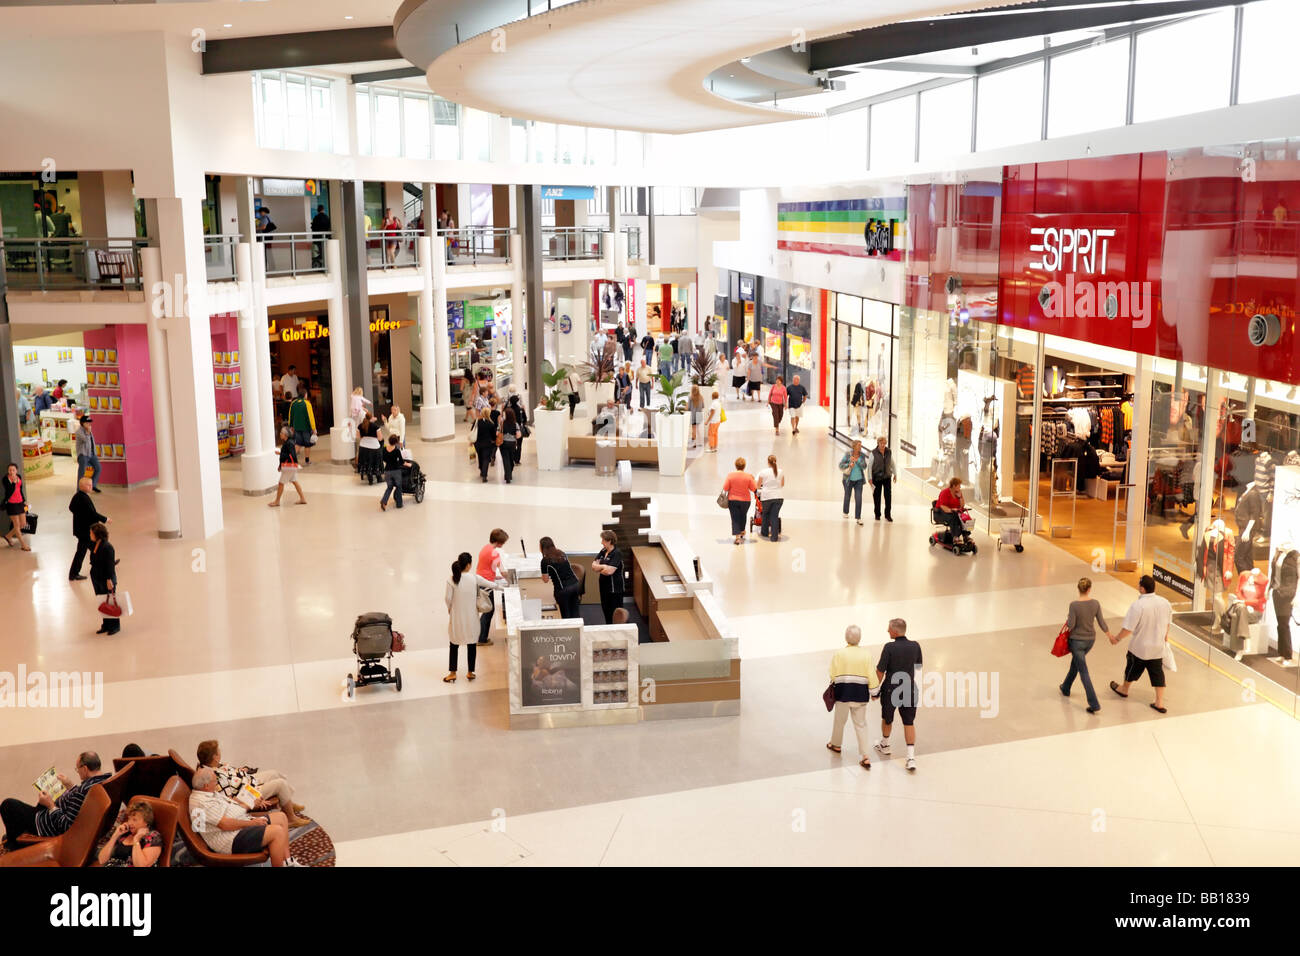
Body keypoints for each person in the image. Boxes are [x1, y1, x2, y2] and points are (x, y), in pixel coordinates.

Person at [188, 767, 298, 866]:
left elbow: (232, 807)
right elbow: (225, 825)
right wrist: (252, 823)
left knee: (282, 817)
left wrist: (251, 805)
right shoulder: (202, 803)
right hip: (230, 839)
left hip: (238, 825)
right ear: (206, 786)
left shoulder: (208, 793)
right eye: (214, 781)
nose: (217, 783)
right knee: (277, 832)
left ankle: (287, 862)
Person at [1, 751, 110, 850]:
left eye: (78, 769)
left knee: (8, 805)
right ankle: (14, 837)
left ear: (85, 769)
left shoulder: (85, 790)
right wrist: (70, 785)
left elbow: (66, 826)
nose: (77, 772)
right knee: (14, 825)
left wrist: (51, 805)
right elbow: (78, 804)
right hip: (47, 816)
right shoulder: (102, 781)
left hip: (46, 826)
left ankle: (15, 846)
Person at [195, 740, 309, 827]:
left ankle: (288, 803)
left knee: (274, 773)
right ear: (214, 757)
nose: (220, 752)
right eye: (218, 751)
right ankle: (291, 819)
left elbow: (229, 773)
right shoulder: (213, 777)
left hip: (245, 781)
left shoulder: (212, 764)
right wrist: (252, 797)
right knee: (280, 784)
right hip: (246, 793)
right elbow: (230, 798)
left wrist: (240, 771)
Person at [1109, 574, 1174, 713]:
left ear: (1143, 589)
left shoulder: (1138, 606)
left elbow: (1128, 628)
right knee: (1158, 674)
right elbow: (1167, 624)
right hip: (1157, 647)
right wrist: (1164, 637)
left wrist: (1117, 639)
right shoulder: (1165, 603)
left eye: (1139, 585)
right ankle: (1159, 702)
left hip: (1140, 648)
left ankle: (1124, 689)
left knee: (1131, 669)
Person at [827, 625, 878, 770]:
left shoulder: (839, 654)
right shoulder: (866, 655)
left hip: (843, 693)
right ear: (859, 638)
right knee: (861, 725)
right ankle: (865, 756)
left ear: (846, 638)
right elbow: (871, 675)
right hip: (860, 695)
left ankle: (836, 744)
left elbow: (832, 674)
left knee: (839, 721)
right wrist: (874, 693)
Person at [875, 618, 921, 772]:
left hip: (890, 690)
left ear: (895, 631)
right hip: (909, 688)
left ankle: (885, 744)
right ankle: (910, 757)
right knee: (909, 722)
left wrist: (874, 690)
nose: (887, 631)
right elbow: (918, 667)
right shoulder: (915, 646)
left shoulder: (889, 647)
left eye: (889, 629)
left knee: (887, 718)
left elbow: (880, 671)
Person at [446, 552, 500, 682]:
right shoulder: (474, 578)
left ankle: (452, 673)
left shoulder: (451, 579)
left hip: (456, 617)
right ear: (469, 565)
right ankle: (470, 672)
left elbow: (447, 599)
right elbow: (490, 584)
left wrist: (450, 609)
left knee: (454, 644)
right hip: (471, 618)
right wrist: (504, 586)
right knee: (471, 644)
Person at [1061, 577, 1110, 714]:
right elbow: (1101, 622)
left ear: (1078, 589)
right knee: (1076, 664)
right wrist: (1110, 635)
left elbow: (1071, 625)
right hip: (1090, 641)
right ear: (1089, 589)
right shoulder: (1095, 603)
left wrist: (1068, 617)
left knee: (1083, 672)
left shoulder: (1074, 605)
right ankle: (1065, 687)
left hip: (1077, 642)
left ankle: (1094, 704)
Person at [96, 799, 163, 867]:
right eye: (129, 819)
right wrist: (115, 835)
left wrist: (136, 840)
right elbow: (102, 860)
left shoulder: (153, 836)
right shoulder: (125, 833)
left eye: (134, 820)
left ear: (146, 822)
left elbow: (140, 865)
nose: (130, 823)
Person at [68, 476, 108, 581]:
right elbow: (92, 514)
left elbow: (71, 507)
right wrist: (105, 519)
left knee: (96, 547)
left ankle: (107, 563)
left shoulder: (78, 496)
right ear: (81, 486)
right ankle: (73, 574)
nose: (91, 487)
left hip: (82, 530)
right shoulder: (83, 498)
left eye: (91, 484)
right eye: (88, 485)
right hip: (84, 531)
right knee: (81, 552)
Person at [476, 529, 509, 645]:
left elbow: (487, 567)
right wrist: (510, 581)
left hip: (482, 580)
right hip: (486, 584)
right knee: (489, 610)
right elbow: (503, 571)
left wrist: (495, 577)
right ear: (499, 542)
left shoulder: (486, 548)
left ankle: (480, 636)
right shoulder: (495, 553)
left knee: (487, 610)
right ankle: (481, 638)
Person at [88, 521, 120, 634]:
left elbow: (110, 565)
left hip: (106, 579)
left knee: (110, 601)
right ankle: (106, 624)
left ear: (97, 534)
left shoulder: (108, 547)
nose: (90, 535)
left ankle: (114, 626)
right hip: (97, 577)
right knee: (102, 601)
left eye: (91, 533)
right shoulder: (95, 544)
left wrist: (109, 580)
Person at [540, 536, 582, 619]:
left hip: (563, 589)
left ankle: (568, 630)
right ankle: (577, 630)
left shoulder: (545, 560)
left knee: (565, 615)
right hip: (575, 585)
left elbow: (545, 580)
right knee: (575, 613)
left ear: (542, 547)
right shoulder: (561, 553)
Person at [590, 530, 625, 624]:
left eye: (603, 540)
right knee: (606, 611)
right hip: (604, 587)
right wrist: (603, 567)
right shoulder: (603, 550)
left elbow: (609, 572)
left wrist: (601, 568)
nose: (601, 542)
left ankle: (617, 632)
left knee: (615, 614)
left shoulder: (617, 553)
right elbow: (593, 566)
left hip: (614, 590)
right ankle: (609, 629)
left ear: (609, 541)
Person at [722, 457, 757, 545]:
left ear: (735, 466)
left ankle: (737, 538)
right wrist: (752, 479)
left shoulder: (730, 475)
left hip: (733, 500)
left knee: (735, 518)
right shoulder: (748, 476)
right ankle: (742, 530)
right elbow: (754, 488)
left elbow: (725, 488)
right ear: (744, 466)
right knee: (743, 515)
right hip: (745, 501)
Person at [3, 462, 32, 551]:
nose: (11, 472)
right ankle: (23, 545)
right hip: (11, 504)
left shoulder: (19, 477)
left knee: (23, 524)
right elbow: (9, 491)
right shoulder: (5, 479)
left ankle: (8, 536)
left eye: (13, 470)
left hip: (20, 503)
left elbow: (20, 490)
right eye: (10, 470)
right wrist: (13, 482)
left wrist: (24, 501)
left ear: (16, 470)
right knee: (16, 525)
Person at [379, 434, 412, 511]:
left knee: (389, 487)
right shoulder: (397, 450)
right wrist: (408, 464)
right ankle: (399, 504)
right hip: (396, 471)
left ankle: (384, 501)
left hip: (387, 471)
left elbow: (383, 459)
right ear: (396, 442)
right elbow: (401, 462)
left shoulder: (384, 449)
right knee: (399, 487)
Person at [757, 454, 785, 541]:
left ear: (768, 462)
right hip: (779, 497)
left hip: (767, 497)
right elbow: (782, 484)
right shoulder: (781, 471)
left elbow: (758, 485)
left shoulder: (763, 472)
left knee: (765, 514)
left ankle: (764, 532)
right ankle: (774, 537)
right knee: (774, 516)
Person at [869, 435, 897, 522]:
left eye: (884, 443)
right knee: (877, 497)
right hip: (876, 477)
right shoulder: (873, 453)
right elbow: (869, 466)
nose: (883, 445)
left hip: (887, 477)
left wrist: (895, 474)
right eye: (881, 443)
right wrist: (870, 478)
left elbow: (892, 463)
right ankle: (877, 514)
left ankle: (888, 515)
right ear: (878, 443)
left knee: (888, 497)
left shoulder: (889, 451)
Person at [839, 440, 868, 524]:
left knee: (858, 498)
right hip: (848, 480)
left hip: (859, 480)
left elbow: (864, 466)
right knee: (847, 495)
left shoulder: (862, 455)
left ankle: (858, 517)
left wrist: (857, 461)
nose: (860, 447)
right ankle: (845, 511)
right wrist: (849, 465)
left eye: (861, 445)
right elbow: (840, 465)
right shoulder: (848, 454)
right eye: (859, 445)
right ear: (854, 446)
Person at [474, 398, 501, 483]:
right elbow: (493, 435)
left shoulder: (477, 422)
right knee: (486, 458)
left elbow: (473, 431)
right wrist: (493, 441)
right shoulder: (491, 424)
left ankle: (481, 470)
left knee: (480, 457)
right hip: (487, 444)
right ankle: (484, 475)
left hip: (477, 443)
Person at [288, 384, 316, 465]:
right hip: (306, 428)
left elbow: (290, 415)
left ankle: (291, 459)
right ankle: (307, 460)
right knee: (307, 444)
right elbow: (311, 417)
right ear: (305, 395)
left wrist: (291, 426)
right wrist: (313, 428)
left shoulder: (293, 403)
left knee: (298, 444)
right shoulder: (307, 403)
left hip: (296, 427)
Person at [936, 476, 969, 543]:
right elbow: (943, 506)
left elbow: (962, 505)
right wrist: (951, 510)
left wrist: (960, 497)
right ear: (954, 486)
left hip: (954, 511)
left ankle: (966, 536)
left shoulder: (958, 493)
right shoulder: (944, 492)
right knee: (953, 517)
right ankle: (955, 537)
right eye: (959, 485)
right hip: (941, 512)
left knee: (965, 518)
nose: (960, 487)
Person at [74, 414, 101, 492]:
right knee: (82, 472)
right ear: (82, 423)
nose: (89, 424)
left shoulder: (89, 430)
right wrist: (88, 432)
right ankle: (79, 490)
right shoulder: (79, 432)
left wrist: (94, 452)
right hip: (83, 454)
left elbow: (92, 442)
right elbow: (85, 440)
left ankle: (93, 485)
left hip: (91, 454)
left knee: (98, 468)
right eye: (87, 423)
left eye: (90, 422)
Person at [356, 411, 382, 481]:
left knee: (366, 459)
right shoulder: (376, 426)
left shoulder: (360, 425)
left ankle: (367, 470)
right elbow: (380, 438)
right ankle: (377, 472)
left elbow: (358, 437)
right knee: (379, 454)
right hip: (374, 447)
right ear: (371, 417)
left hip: (363, 447)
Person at [498, 404, 521, 483]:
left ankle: (508, 475)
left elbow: (497, 433)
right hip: (512, 444)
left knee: (505, 459)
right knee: (511, 459)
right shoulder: (516, 424)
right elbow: (518, 436)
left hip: (503, 443)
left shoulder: (502, 423)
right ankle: (509, 474)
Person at [506, 387, 528, 467]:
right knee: (519, 444)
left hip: (510, 428)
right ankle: (517, 460)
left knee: (512, 443)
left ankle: (512, 457)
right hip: (519, 429)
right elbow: (525, 419)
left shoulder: (508, 410)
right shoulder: (521, 409)